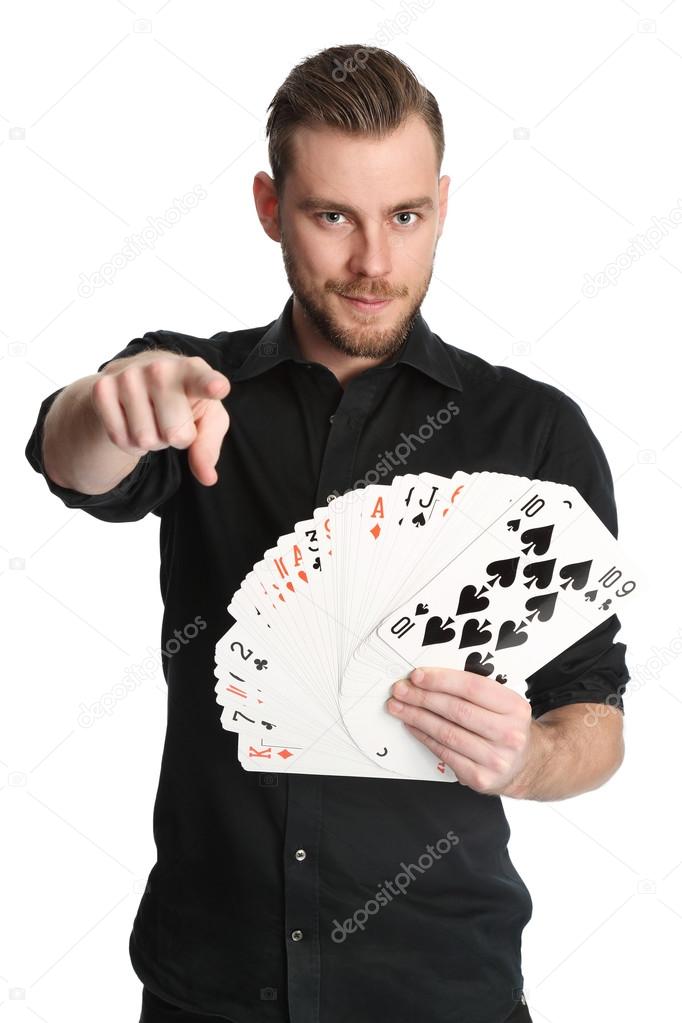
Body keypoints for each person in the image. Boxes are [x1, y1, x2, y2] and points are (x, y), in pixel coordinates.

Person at [25, 43, 629, 1023]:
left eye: (405, 216)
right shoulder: (190, 387)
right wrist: (108, 404)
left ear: (441, 201)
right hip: (208, 984)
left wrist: (526, 757)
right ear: (270, 208)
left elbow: (593, 714)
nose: (373, 264)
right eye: (330, 216)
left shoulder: (536, 432)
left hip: (442, 989)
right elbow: (74, 460)